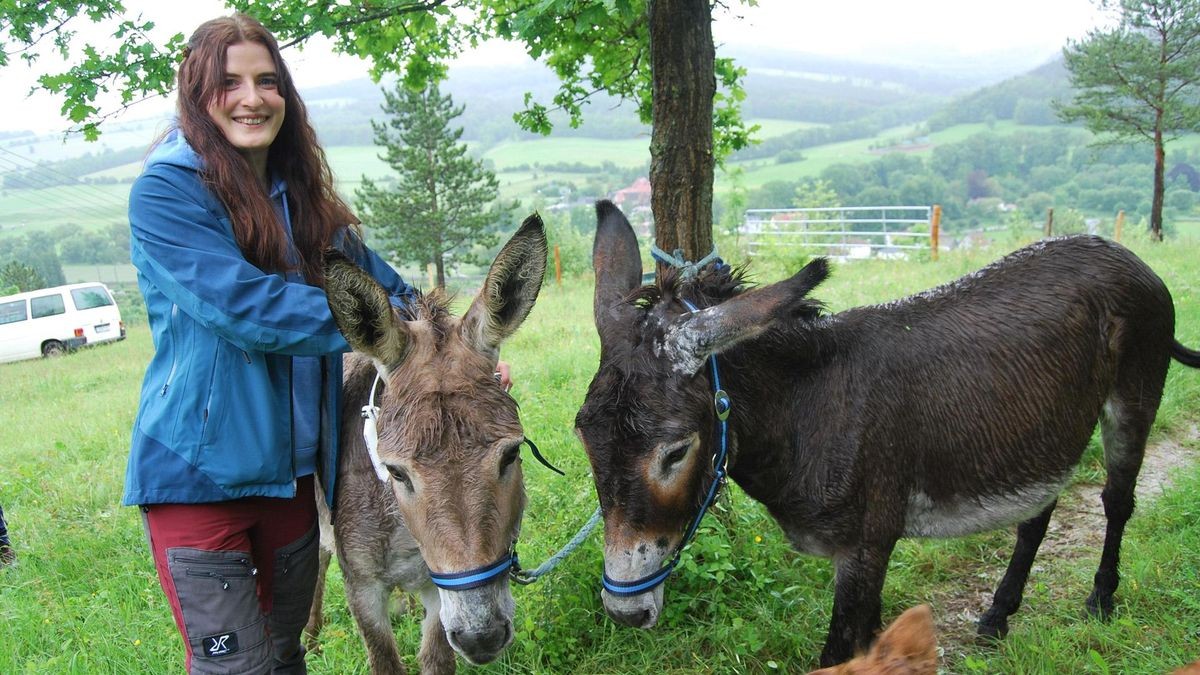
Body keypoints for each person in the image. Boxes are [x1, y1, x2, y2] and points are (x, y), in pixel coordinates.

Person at [122, 14, 513, 674]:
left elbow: (396, 294)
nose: (252, 97)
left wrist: (459, 363)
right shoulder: (165, 191)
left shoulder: (301, 199)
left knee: (281, 653)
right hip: (200, 475)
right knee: (233, 666)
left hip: (299, 477)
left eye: (268, 80)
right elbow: (243, 305)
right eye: (230, 81)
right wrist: (392, 334)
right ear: (195, 90)